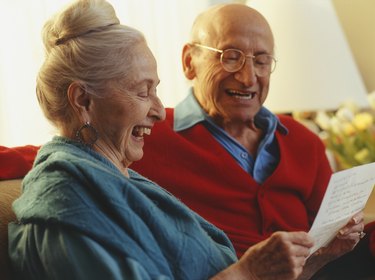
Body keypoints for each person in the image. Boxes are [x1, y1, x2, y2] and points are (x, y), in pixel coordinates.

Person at [7, 1, 328, 279]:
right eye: (143, 92)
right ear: (83, 100)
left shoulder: (123, 177)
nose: (160, 112)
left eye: (261, 61)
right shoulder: (65, 199)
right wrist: (249, 273)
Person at [129, 3, 372, 278]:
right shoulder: (146, 136)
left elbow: (329, 245)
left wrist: (345, 235)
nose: (248, 78)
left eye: (261, 61)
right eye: (230, 57)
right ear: (189, 62)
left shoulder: (305, 142)